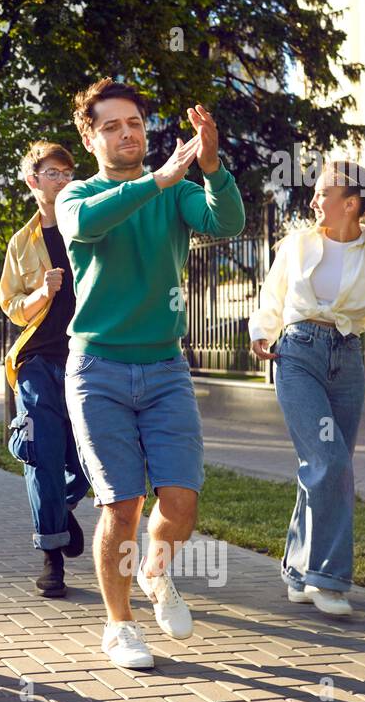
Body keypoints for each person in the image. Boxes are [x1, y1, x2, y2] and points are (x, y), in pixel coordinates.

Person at [57, 78, 246, 669]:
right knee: (122, 504)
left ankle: (156, 572)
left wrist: (211, 167)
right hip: (98, 368)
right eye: (112, 125)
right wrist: (153, 181)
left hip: (165, 366)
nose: (127, 133)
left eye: (134, 122)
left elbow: (228, 222)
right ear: (90, 137)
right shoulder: (76, 194)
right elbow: (85, 226)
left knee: (182, 503)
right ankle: (119, 626)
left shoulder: (173, 191)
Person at [250, 160, 365, 617]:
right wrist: (262, 330)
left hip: (346, 361)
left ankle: (298, 573)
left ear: (350, 203)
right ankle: (328, 579)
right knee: (329, 461)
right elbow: (273, 294)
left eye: (322, 193)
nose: (313, 200)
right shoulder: (296, 245)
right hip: (297, 356)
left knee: (321, 467)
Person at [0, 141, 91, 597]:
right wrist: (42, 294)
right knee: (41, 451)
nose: (63, 180)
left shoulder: (90, 225)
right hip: (36, 359)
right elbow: (11, 305)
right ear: (33, 181)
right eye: (53, 173)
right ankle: (51, 557)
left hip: (89, 356)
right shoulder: (22, 243)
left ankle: (61, 509)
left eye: (68, 172)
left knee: (95, 457)